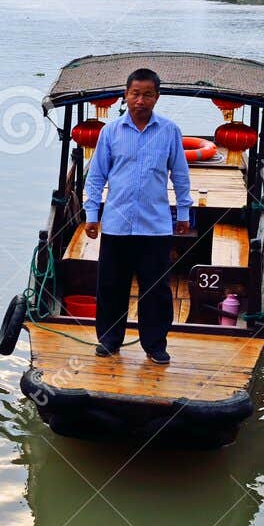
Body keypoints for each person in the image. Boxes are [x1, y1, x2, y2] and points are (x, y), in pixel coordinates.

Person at [82, 67, 193, 363]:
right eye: (135, 94)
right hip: (116, 225)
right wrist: (92, 214)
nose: (140, 101)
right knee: (111, 286)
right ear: (126, 95)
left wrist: (183, 212)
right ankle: (109, 340)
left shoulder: (169, 131)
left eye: (147, 95)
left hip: (155, 226)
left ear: (157, 97)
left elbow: (180, 175)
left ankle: (155, 345)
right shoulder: (110, 132)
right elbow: (96, 177)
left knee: (155, 290)